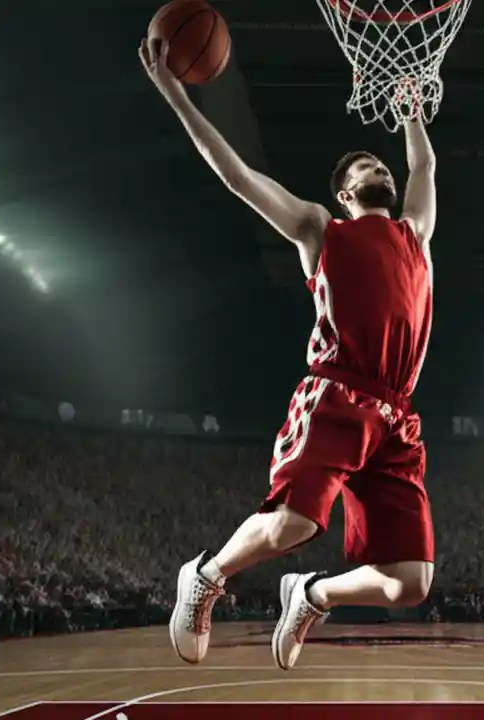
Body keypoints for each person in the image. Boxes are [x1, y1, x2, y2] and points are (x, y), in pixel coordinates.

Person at [139, 38, 439, 670]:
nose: (378, 169)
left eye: (381, 165)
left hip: (396, 415)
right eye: (364, 168)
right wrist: (176, 95)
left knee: (410, 583)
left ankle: (311, 594)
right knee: (296, 525)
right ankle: (205, 576)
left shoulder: (415, 230)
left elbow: (425, 170)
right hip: (337, 394)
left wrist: (410, 111)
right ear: (345, 192)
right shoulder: (318, 228)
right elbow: (237, 177)